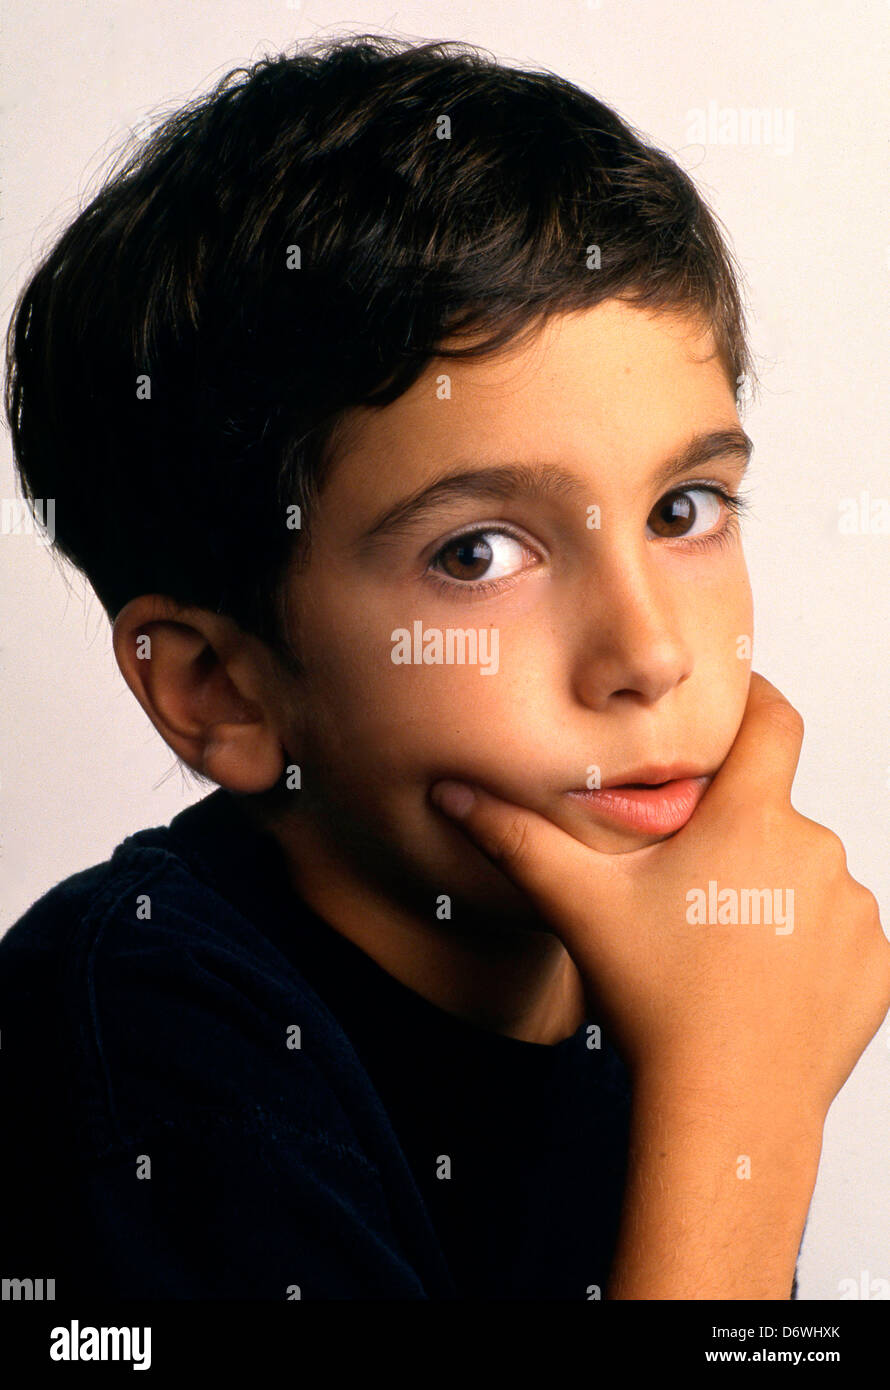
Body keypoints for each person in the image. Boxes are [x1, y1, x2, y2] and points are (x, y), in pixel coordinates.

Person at [2, 33, 888, 1301]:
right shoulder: (134, 1052)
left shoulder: (667, 967)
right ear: (219, 688)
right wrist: (734, 1111)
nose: (647, 652)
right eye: (478, 551)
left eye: (684, 509)